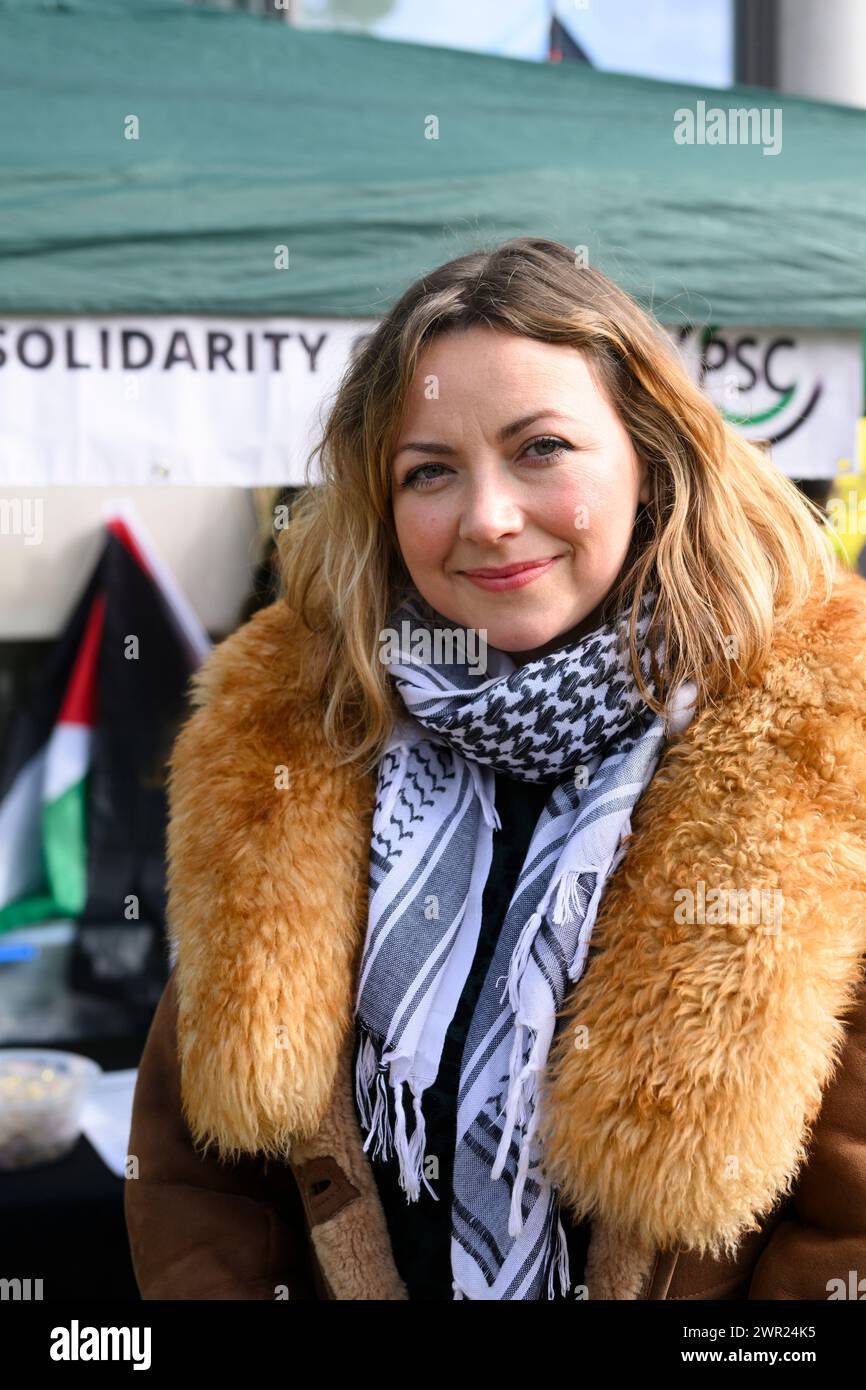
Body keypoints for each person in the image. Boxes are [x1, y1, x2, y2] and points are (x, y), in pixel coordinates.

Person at [124, 236, 866, 1301]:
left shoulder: (816, 741)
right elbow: (200, 1179)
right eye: (429, 470)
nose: (486, 517)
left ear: (648, 458)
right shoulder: (291, 739)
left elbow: (847, 1218)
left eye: (540, 448)